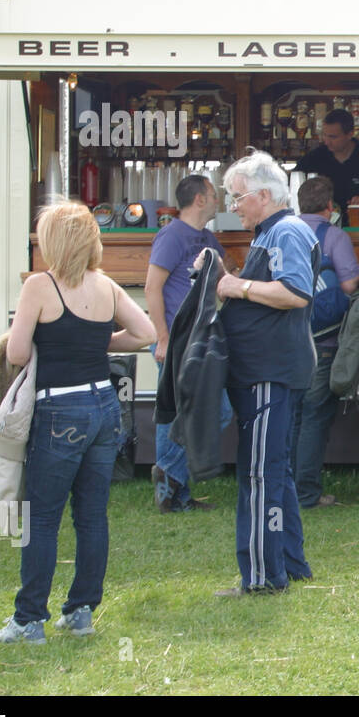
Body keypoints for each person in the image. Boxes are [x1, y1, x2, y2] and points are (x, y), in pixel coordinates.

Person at [0, 201, 156, 644]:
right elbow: (146, 334)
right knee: (91, 516)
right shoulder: (105, 285)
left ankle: (28, 620)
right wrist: (100, 343)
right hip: (103, 406)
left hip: (58, 410)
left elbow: (16, 354)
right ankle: (81, 611)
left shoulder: (39, 286)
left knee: (42, 519)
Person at [214, 151, 319, 594]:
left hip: (267, 374)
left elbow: (295, 292)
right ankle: (291, 564)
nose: (232, 205)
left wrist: (237, 285)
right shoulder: (274, 232)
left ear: (263, 195)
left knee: (259, 475)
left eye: (236, 197)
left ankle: (261, 577)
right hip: (269, 371)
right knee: (275, 471)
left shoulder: (286, 231)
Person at [144, 174, 231, 513]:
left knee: (180, 415)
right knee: (213, 410)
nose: (218, 199)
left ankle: (172, 487)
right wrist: (162, 338)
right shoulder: (172, 234)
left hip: (200, 339)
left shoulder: (207, 237)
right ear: (199, 199)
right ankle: (170, 482)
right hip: (178, 340)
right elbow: (152, 288)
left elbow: (224, 274)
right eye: (213, 194)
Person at [291, 175, 359, 509]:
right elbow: (348, 286)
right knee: (314, 417)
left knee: (289, 415)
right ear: (330, 207)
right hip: (323, 339)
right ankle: (306, 493)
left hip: (286, 337)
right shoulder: (334, 235)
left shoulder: (282, 233)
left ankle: (283, 487)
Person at [295, 108, 359, 225]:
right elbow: (294, 183)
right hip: (322, 228)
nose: (327, 141)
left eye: (333, 137)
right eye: (324, 135)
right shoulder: (315, 157)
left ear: (350, 134)